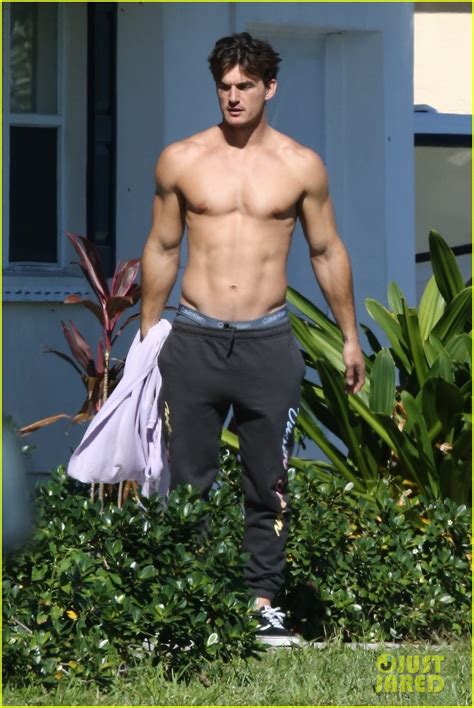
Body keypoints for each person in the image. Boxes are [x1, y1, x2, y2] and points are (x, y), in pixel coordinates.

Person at [140, 32, 365, 645]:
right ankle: (189, 603)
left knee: (269, 481)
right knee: (188, 479)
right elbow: (162, 246)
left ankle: (261, 601)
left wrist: (349, 336)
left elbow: (326, 250)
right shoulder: (182, 159)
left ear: (271, 87)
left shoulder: (300, 166)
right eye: (225, 86)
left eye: (245, 85)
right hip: (194, 337)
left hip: (268, 343)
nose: (234, 96)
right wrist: (147, 332)